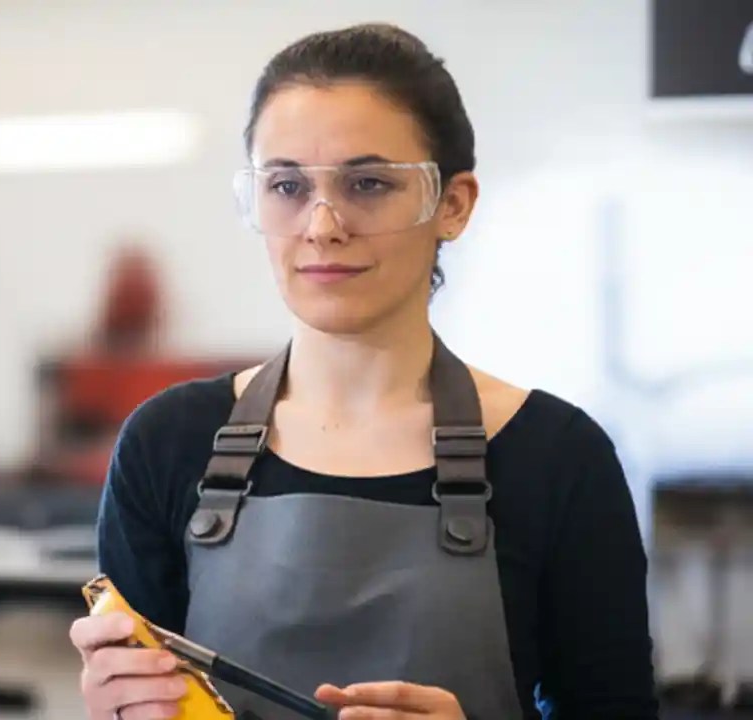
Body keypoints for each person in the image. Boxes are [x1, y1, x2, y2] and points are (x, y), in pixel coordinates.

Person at [68, 23, 658, 720]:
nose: (321, 224)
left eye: (369, 183)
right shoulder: (167, 443)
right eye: (286, 184)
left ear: (454, 204)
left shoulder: (558, 458)